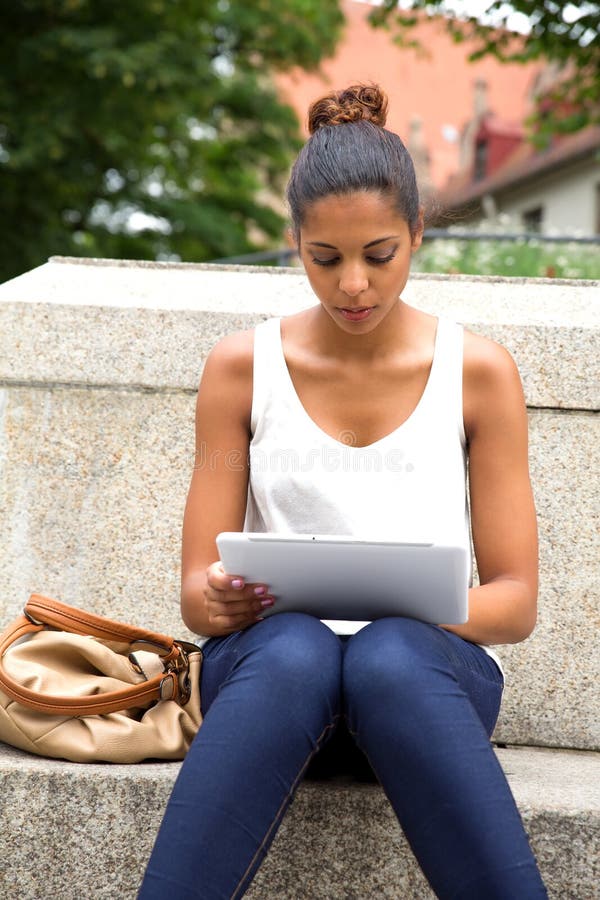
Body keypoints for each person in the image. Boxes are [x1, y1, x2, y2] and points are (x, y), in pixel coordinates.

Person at [139, 84, 548, 899]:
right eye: (325, 258)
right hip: (274, 688)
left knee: (388, 656)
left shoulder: (478, 373)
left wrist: (408, 603)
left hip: (423, 692)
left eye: (379, 254)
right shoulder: (237, 368)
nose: (353, 284)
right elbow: (194, 592)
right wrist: (217, 602)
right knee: (298, 649)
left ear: (418, 233)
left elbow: (516, 601)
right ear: (296, 244)